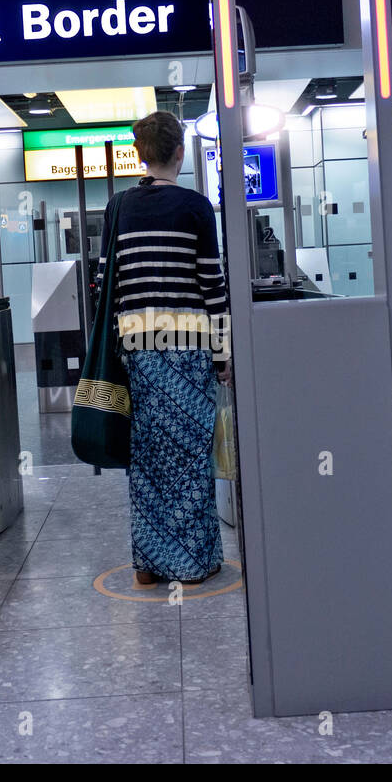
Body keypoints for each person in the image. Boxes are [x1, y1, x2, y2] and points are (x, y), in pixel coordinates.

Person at [95, 110, 229, 585]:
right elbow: (212, 286)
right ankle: (191, 562)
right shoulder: (195, 207)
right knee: (191, 455)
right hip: (188, 344)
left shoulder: (118, 207)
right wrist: (222, 354)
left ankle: (148, 566)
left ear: (139, 154)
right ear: (178, 153)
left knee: (147, 454)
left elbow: (106, 281)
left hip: (138, 344)